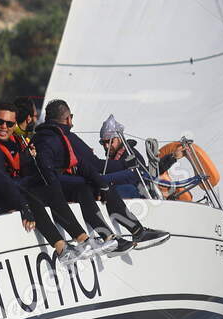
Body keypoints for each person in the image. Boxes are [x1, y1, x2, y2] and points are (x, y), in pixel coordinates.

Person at [33, 101, 168, 251]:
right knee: (111, 182)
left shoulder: (40, 136)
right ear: (68, 119)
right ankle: (136, 232)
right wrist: (125, 167)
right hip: (58, 188)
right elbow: (94, 165)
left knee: (96, 184)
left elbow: (85, 165)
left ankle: (117, 236)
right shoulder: (64, 136)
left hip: (50, 187)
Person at [0, 101, 85, 256]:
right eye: (0, 122)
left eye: (10, 124)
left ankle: (83, 240)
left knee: (50, 190)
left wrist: (26, 158)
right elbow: (1, 181)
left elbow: (14, 172)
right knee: (30, 196)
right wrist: (24, 208)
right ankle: (62, 249)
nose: (4, 127)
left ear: (14, 125)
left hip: (1, 190)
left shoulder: (9, 142)